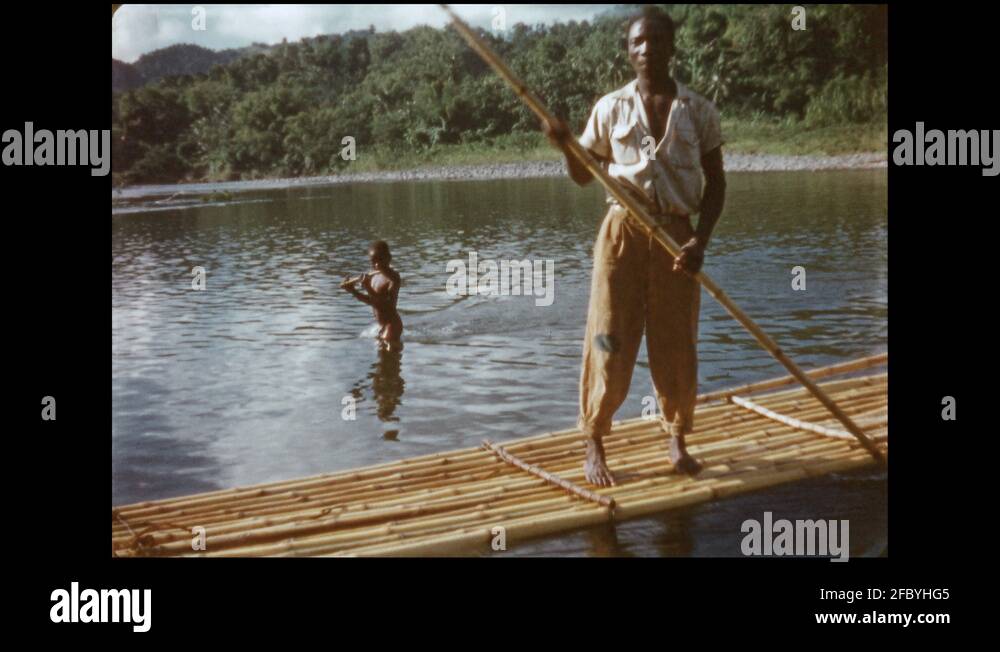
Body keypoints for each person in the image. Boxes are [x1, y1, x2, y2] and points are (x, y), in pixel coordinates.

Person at [542, 7, 727, 486]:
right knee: (609, 337)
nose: (645, 50)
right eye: (636, 44)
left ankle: (677, 437)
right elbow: (585, 176)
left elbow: (718, 181)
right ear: (629, 52)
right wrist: (566, 146)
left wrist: (700, 241)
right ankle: (594, 441)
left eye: (655, 41)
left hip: (677, 239)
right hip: (622, 234)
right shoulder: (610, 108)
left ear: (671, 47)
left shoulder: (700, 110)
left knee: (676, 341)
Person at [341, 240, 403, 344]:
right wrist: (353, 291)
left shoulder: (393, 278)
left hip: (392, 325)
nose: (377, 264)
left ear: (389, 258)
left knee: (389, 356)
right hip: (382, 325)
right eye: (373, 261)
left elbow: (387, 305)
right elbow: (372, 302)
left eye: (380, 260)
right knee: (381, 356)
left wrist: (368, 287)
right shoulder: (373, 277)